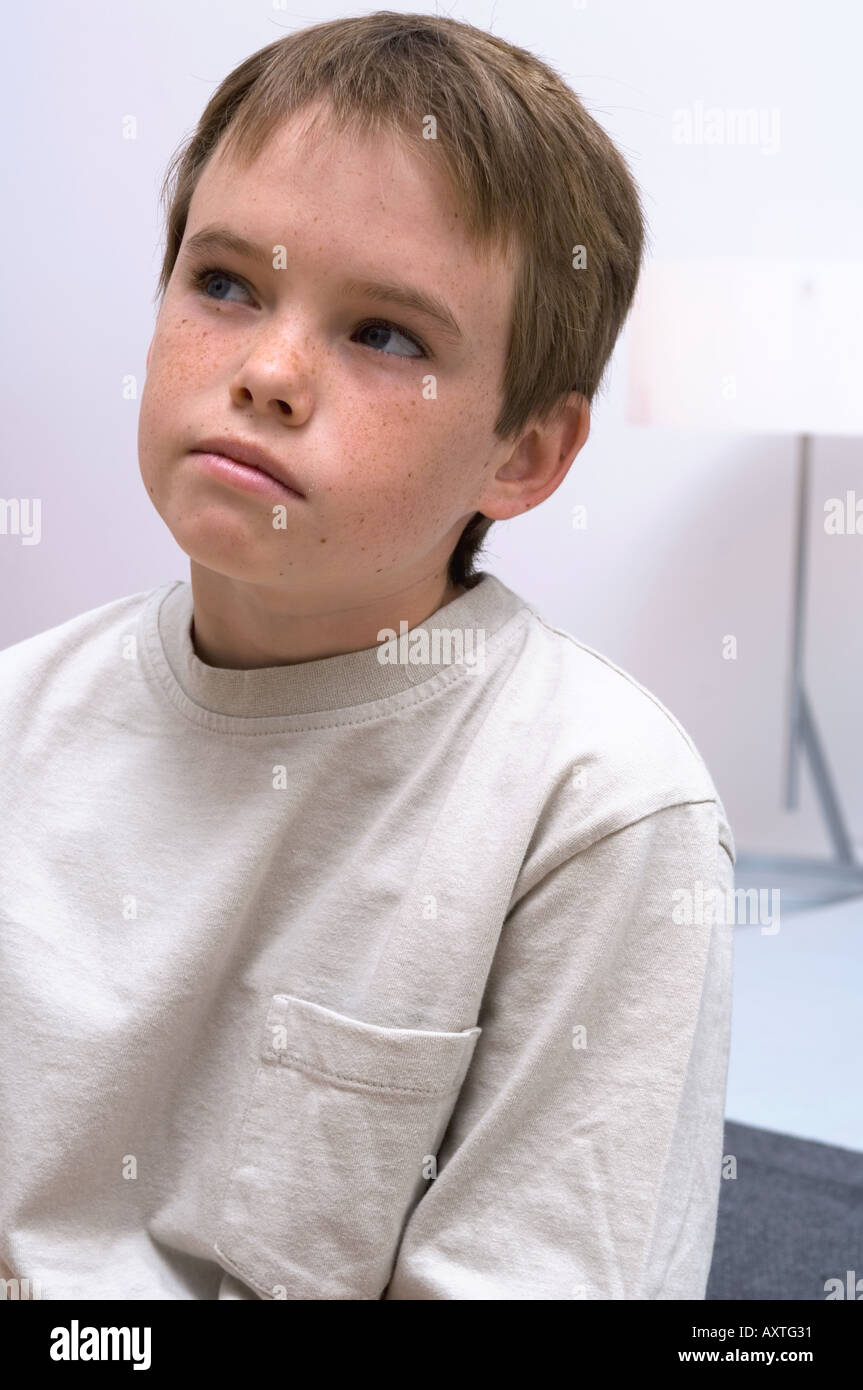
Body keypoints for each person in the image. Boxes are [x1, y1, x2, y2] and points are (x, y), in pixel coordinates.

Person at [0, 11, 734, 1300]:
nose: (268, 372)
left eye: (386, 336)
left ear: (525, 455)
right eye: (225, 284)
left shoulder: (597, 811)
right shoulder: (19, 717)